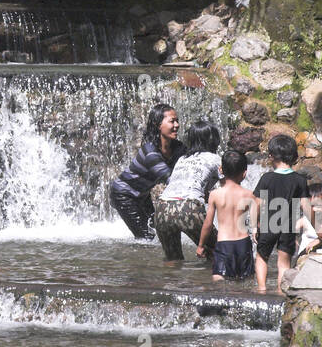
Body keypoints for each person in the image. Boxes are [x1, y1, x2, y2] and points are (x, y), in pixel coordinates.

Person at [110, 104, 186, 239]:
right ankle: (139, 259)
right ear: (158, 125)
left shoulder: (178, 148)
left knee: (159, 231)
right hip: (123, 195)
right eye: (172, 121)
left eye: (177, 120)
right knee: (146, 238)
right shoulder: (150, 152)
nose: (177, 125)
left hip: (142, 195)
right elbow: (169, 179)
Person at [155, 120, 221, 261]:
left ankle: (170, 282)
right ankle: (214, 282)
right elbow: (229, 188)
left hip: (162, 208)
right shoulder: (215, 159)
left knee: (173, 259)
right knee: (218, 252)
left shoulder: (182, 159)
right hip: (188, 207)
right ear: (213, 139)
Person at [254, 134, 309, 294]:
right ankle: (280, 291)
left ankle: (262, 289)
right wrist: (319, 226)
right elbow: (306, 205)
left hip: (268, 224)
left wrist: (254, 226)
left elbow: (256, 204)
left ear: (271, 156)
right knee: (284, 263)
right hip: (288, 227)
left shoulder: (267, 178)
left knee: (261, 257)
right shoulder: (299, 180)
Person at [197, 150, 257, 282]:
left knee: (219, 279)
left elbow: (207, 224)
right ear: (244, 173)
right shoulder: (249, 194)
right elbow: (256, 223)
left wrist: (201, 245)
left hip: (224, 243)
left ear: (221, 170)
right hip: (244, 243)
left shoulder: (215, 194)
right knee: (245, 280)